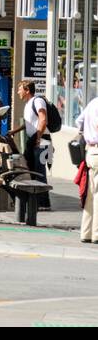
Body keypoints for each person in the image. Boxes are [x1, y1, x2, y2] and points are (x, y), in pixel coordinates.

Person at [20, 79, 52, 210]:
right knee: (32, 169)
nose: (18, 92)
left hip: (43, 139)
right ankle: (35, 201)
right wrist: (14, 131)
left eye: (20, 89)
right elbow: (29, 123)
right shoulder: (28, 104)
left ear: (27, 90)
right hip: (35, 138)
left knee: (40, 171)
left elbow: (43, 119)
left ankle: (44, 203)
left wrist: (38, 138)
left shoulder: (38, 101)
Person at [77, 95, 98, 243]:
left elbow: (79, 121)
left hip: (90, 151)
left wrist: (86, 133)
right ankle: (96, 234)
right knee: (96, 194)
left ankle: (86, 232)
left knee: (90, 193)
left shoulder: (92, 103)